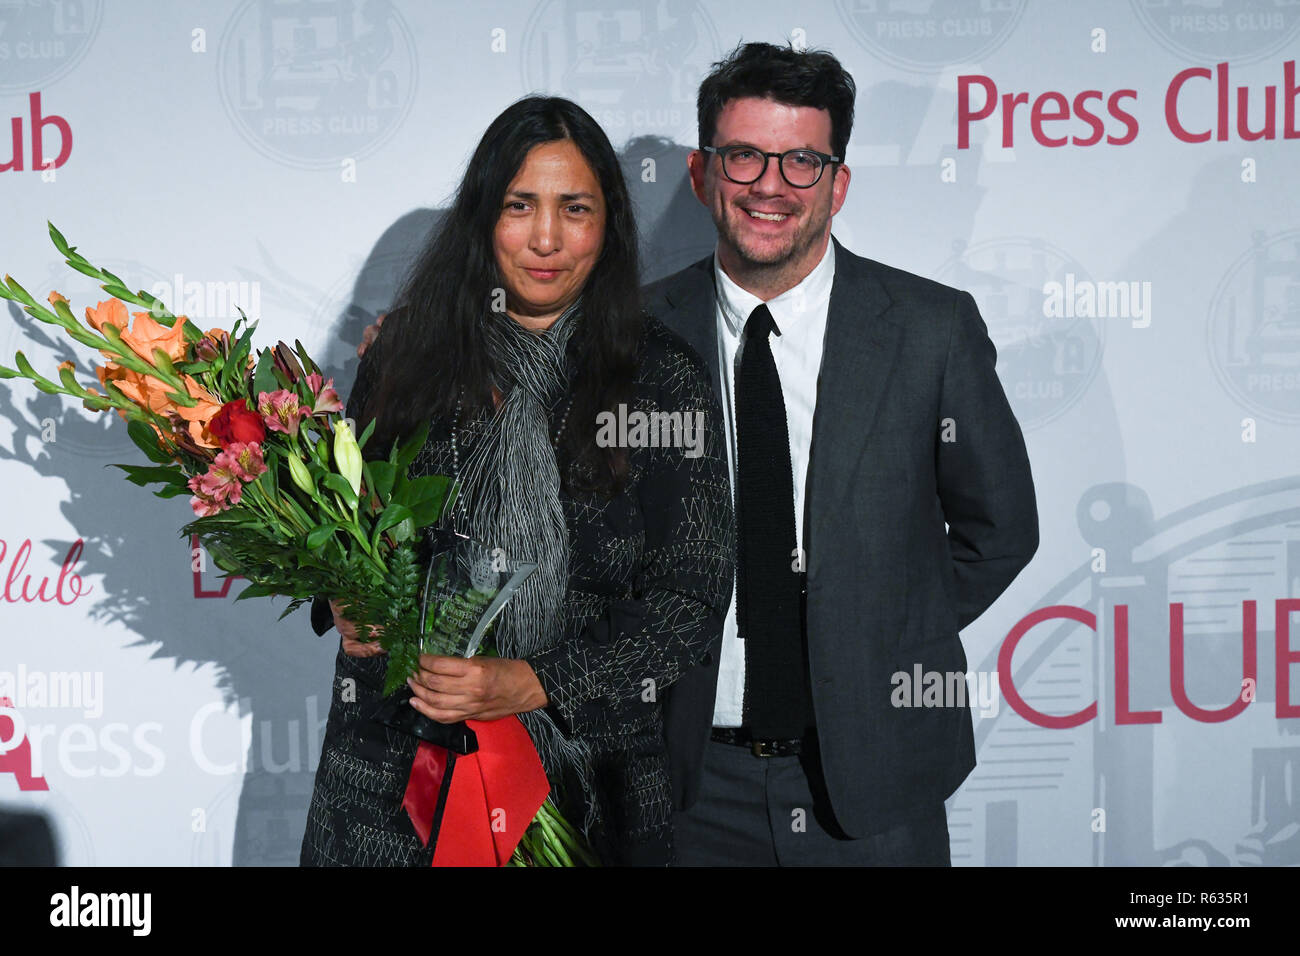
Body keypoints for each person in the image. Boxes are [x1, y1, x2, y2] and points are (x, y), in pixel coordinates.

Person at [356, 43, 1040, 867]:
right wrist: (405, 359)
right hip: (672, 779)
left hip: (875, 777)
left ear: (839, 183)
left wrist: (867, 636)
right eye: (745, 155)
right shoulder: (625, 336)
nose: (771, 185)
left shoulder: (931, 330)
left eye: (802, 160)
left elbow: (997, 531)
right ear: (702, 173)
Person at [300, 95, 734, 867]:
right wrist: (341, 599)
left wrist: (534, 681)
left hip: (588, 775)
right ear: (482, 217)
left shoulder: (661, 377)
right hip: (396, 776)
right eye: (519, 205)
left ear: (609, 225)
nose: (545, 238)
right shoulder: (406, 356)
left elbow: (690, 598)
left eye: (575, 208)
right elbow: (348, 523)